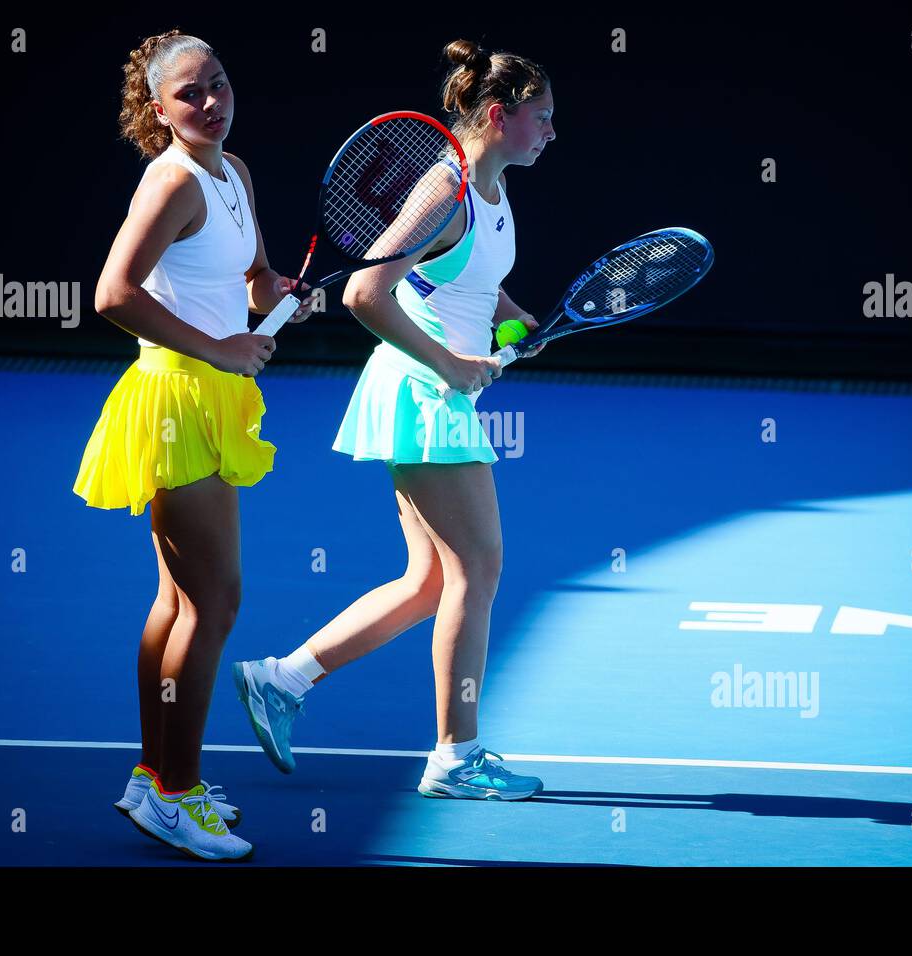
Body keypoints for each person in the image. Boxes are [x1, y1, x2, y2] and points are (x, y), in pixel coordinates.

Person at [233, 38, 555, 800]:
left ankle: (283, 678)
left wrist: (513, 322)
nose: (551, 132)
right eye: (542, 118)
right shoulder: (444, 190)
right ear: (500, 115)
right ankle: (455, 756)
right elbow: (365, 293)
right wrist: (452, 366)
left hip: (433, 391)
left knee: (430, 580)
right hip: (423, 394)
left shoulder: (494, 194)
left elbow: (464, 285)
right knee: (478, 570)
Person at [74, 30, 311, 860]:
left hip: (214, 394)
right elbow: (112, 293)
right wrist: (221, 348)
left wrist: (275, 295)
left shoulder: (233, 171)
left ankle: (154, 776)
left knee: (179, 602)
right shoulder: (173, 179)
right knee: (215, 603)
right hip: (176, 399)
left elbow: (250, 279)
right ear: (157, 110)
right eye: (188, 95)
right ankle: (175, 793)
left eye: (217, 84)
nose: (210, 103)